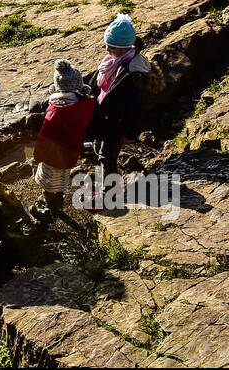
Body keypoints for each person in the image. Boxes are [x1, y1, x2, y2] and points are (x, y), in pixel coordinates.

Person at [84, 14, 151, 181]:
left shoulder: (133, 73)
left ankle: (112, 190)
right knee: (98, 147)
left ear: (125, 47)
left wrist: (130, 133)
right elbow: (98, 85)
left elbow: (134, 107)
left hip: (116, 124)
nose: (107, 50)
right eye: (106, 45)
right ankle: (106, 174)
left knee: (107, 156)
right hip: (104, 117)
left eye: (111, 47)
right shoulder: (112, 61)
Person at [33, 59, 95, 221]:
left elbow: (45, 138)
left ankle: (49, 211)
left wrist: (38, 155)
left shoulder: (56, 112)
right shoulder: (85, 104)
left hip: (53, 156)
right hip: (71, 152)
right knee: (61, 178)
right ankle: (58, 202)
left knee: (49, 182)